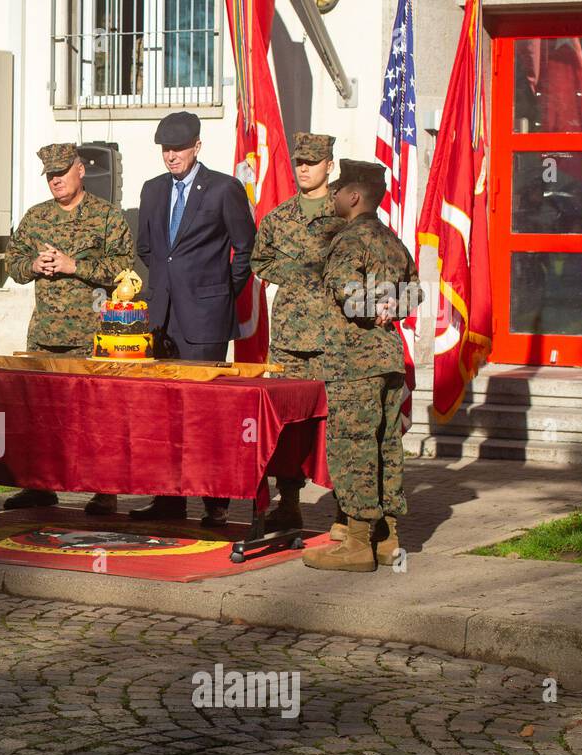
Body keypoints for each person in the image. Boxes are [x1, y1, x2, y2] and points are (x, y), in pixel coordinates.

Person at [132, 111, 256, 526]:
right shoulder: (152, 190)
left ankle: (213, 500)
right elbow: (149, 250)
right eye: (166, 149)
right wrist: (165, 292)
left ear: (197, 146)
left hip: (205, 321)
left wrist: (218, 296)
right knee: (164, 412)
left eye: (179, 148)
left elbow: (246, 249)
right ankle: (168, 498)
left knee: (205, 414)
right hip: (161, 320)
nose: (171, 156)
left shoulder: (223, 189)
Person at [3, 142, 133, 515]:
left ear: (81, 170)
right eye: (50, 175)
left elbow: (125, 268)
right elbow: (13, 263)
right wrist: (35, 264)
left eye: (62, 172)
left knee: (95, 414)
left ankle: (103, 488)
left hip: (91, 335)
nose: (56, 180)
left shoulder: (106, 217)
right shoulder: (36, 217)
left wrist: (76, 266)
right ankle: (39, 485)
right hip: (45, 333)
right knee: (38, 413)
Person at [303, 159, 420, 572]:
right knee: (386, 445)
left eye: (338, 189)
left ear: (354, 197)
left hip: (355, 363)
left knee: (353, 447)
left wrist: (372, 308)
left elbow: (347, 295)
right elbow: (416, 294)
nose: (332, 195)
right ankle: (387, 538)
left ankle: (355, 542)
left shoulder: (351, 239)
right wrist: (390, 307)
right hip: (387, 360)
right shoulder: (391, 240)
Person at [251, 132, 346, 532]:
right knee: (287, 428)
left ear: (329, 164)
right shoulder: (279, 217)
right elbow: (260, 260)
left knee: (338, 423)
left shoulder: (345, 214)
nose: (304, 168)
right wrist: (294, 275)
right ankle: (288, 503)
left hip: (333, 339)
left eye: (312, 162)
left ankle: (347, 510)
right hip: (290, 340)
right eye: (299, 162)